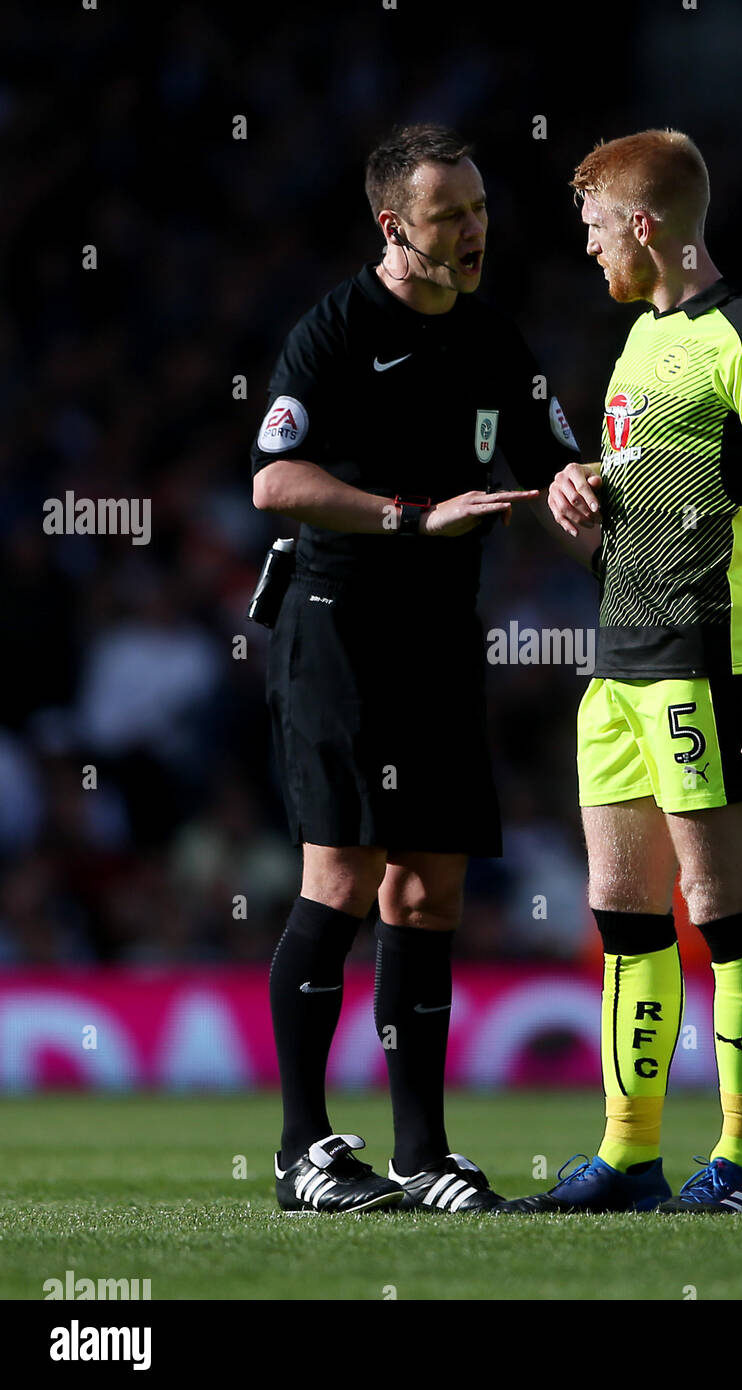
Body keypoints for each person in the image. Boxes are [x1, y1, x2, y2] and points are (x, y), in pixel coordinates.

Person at [250, 124, 580, 1214]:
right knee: (340, 879)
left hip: (443, 636)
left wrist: (588, 493)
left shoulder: (492, 338)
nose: (475, 229)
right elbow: (274, 481)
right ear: (394, 225)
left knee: (428, 890)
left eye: (480, 208)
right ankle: (302, 1151)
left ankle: (421, 1153)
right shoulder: (336, 332)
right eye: (450, 214)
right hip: (341, 626)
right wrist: (409, 515)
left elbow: (554, 464)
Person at [497, 129, 742, 1215]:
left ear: (644, 225)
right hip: (616, 661)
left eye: (595, 229)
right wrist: (579, 492)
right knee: (622, 914)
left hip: (704, 664)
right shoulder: (640, 340)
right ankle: (628, 1153)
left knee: (727, 913)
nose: (588, 250)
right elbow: (649, 504)